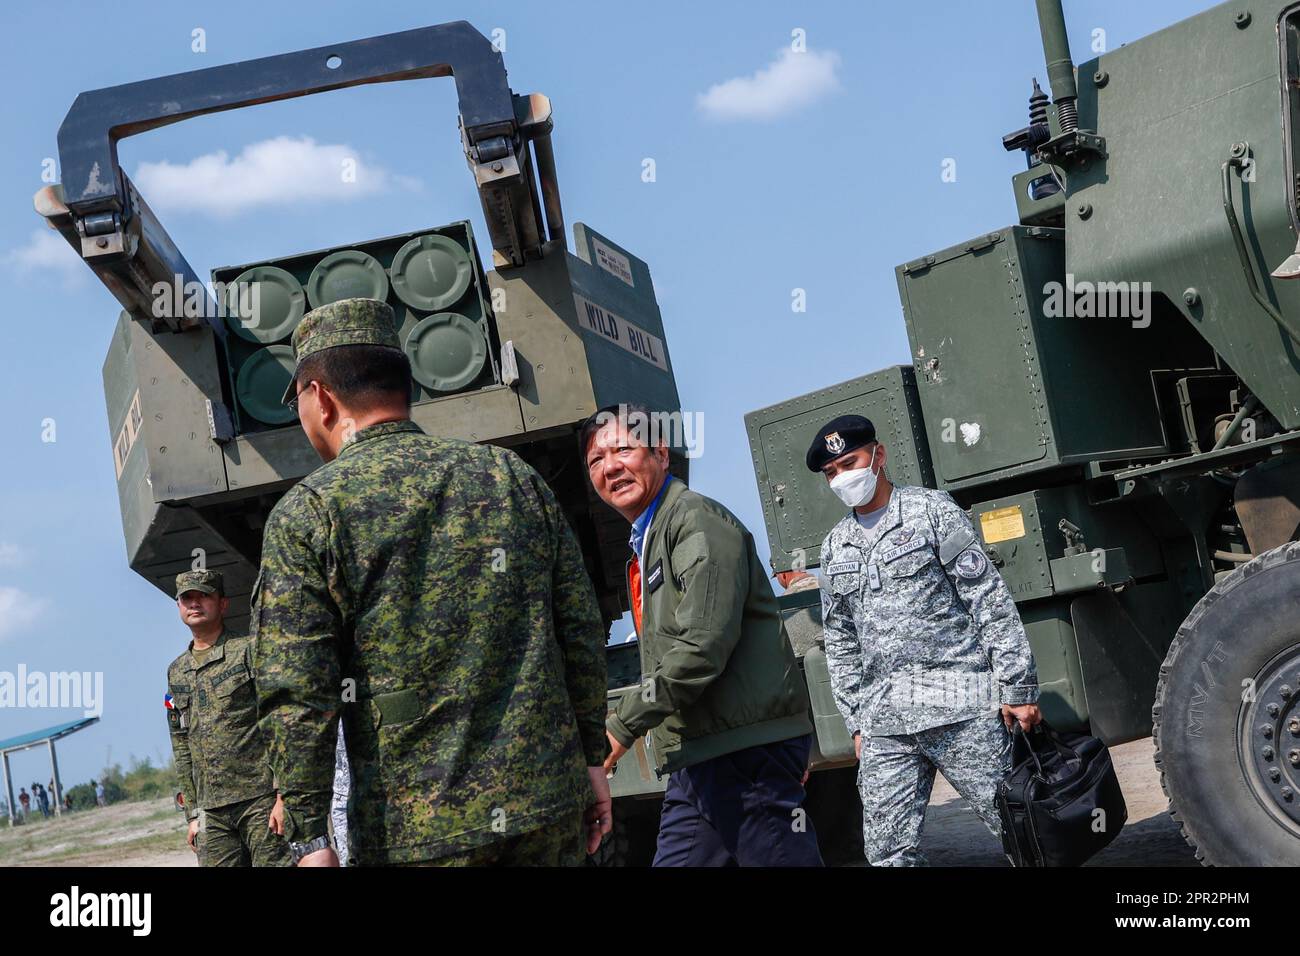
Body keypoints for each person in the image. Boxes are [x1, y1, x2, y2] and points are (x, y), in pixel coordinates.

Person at [252, 298, 611, 867]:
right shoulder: (511, 477)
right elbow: (580, 631)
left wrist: (309, 840)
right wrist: (592, 758)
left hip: (417, 835)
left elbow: (297, 694)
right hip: (547, 808)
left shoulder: (310, 514)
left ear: (320, 397)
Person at [588, 402, 823, 866]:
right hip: (699, 754)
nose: (610, 466)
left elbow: (702, 645)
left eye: (622, 449)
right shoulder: (653, 535)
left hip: (742, 752)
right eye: (596, 459)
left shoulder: (695, 520)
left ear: (660, 452)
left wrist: (619, 727)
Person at [808, 415, 1042, 866]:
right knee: (886, 855)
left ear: (878, 455)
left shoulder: (931, 512)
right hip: (885, 727)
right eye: (832, 472)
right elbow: (840, 639)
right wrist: (857, 721)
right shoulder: (835, 547)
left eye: (849, 462)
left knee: (1022, 831)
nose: (842, 477)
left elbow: (987, 598)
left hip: (962, 709)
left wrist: (1017, 687)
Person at [165, 569, 291, 867]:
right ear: (179, 607)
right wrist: (193, 814)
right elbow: (180, 744)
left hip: (260, 800)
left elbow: (279, 721)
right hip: (212, 812)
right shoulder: (176, 671)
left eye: (203, 596)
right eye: (187, 598)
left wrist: (283, 795)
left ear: (223, 604)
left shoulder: (248, 651)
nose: (194, 604)